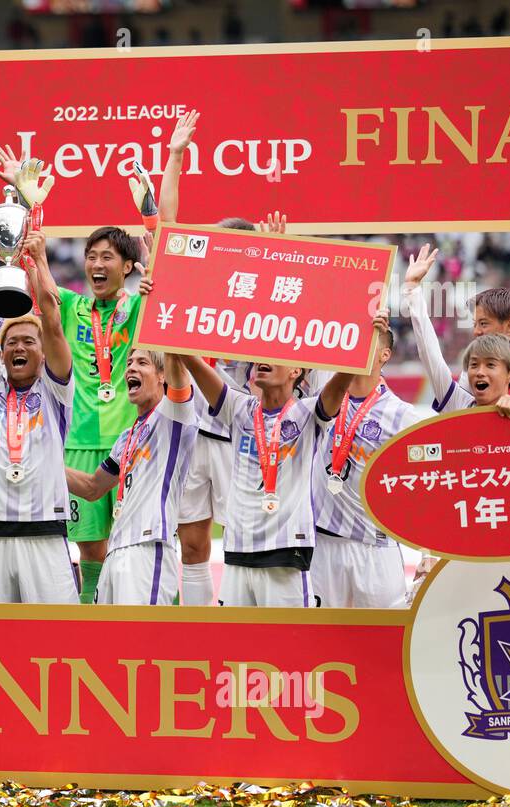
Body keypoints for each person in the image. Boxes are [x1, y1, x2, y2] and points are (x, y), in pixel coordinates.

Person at [0, 144, 146, 604]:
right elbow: (40, 283)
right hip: (76, 438)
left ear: (128, 266)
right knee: (89, 546)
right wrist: (25, 204)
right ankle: (92, 610)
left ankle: (136, 617)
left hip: (130, 437)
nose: (96, 264)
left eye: (108, 257)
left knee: (133, 541)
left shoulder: (138, 307)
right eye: (91, 256)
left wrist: (153, 215)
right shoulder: (73, 305)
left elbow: (164, 284)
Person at [155, 108, 291, 605]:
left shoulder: (264, 296)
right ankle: (197, 626)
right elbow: (168, 227)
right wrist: (174, 156)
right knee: (191, 541)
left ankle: (244, 614)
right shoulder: (193, 285)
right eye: (220, 245)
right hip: (192, 427)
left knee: (245, 532)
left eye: (237, 247)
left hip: (239, 431)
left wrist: (277, 257)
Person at [182, 332, 373, 607]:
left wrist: (359, 348)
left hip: (286, 555)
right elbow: (193, 363)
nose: (262, 359)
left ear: (296, 371)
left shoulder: (308, 414)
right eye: (259, 355)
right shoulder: (239, 408)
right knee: (235, 649)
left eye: (273, 355)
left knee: (288, 649)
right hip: (238, 552)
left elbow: (337, 388)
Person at [0, 230, 77, 603]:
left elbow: (56, 327)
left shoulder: (56, 392)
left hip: (44, 529)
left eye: (29, 341)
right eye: (11, 342)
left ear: (43, 354)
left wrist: (41, 261)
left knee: (57, 633)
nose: (18, 346)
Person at [310, 308, 424, 608]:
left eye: (367, 342)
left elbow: (430, 486)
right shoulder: (322, 391)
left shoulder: (403, 416)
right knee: (322, 640)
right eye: (355, 341)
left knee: (380, 642)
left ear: (385, 355)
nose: (358, 348)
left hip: (375, 546)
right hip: (324, 543)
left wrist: (429, 554)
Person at [65, 349, 198, 605]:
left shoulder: (173, 417)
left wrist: (166, 338)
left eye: (142, 363)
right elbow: (92, 487)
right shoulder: (127, 436)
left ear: (162, 375)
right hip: (116, 550)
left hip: (148, 547)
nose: (130, 369)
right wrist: (46, 464)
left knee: (141, 641)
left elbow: (179, 373)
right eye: (129, 363)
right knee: (109, 641)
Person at [405, 244, 510, 411]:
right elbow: (430, 355)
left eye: (483, 324)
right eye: (474, 324)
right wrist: (412, 289)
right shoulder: (473, 373)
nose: (476, 332)